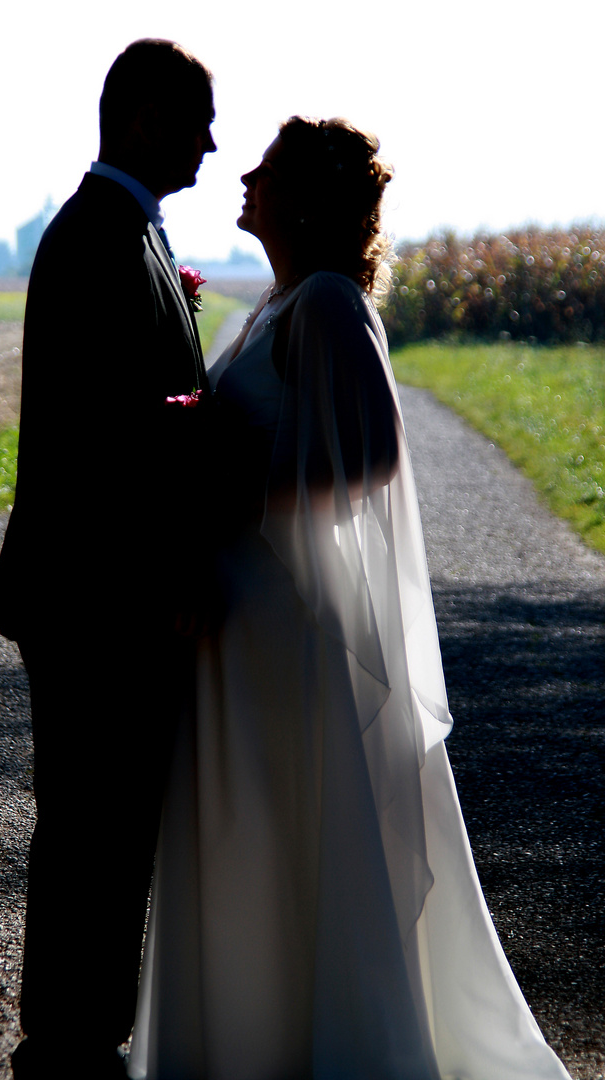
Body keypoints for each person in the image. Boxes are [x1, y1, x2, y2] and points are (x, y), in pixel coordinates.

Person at [126, 118, 572, 1079]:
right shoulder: (281, 302)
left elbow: (372, 454)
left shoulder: (328, 304)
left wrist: (240, 486)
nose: (244, 173)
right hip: (241, 624)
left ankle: (321, 1041)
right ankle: (250, 1033)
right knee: (252, 833)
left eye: (268, 167)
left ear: (306, 201)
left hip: (288, 626)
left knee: (291, 830)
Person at [0, 40, 216, 1079]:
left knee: (111, 820)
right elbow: (106, 446)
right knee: (91, 819)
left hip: (100, 593)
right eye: (200, 117)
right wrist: (166, 582)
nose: (213, 139)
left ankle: (83, 1030)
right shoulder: (96, 239)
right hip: (94, 598)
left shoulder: (130, 233)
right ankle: (70, 1040)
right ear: (148, 117)